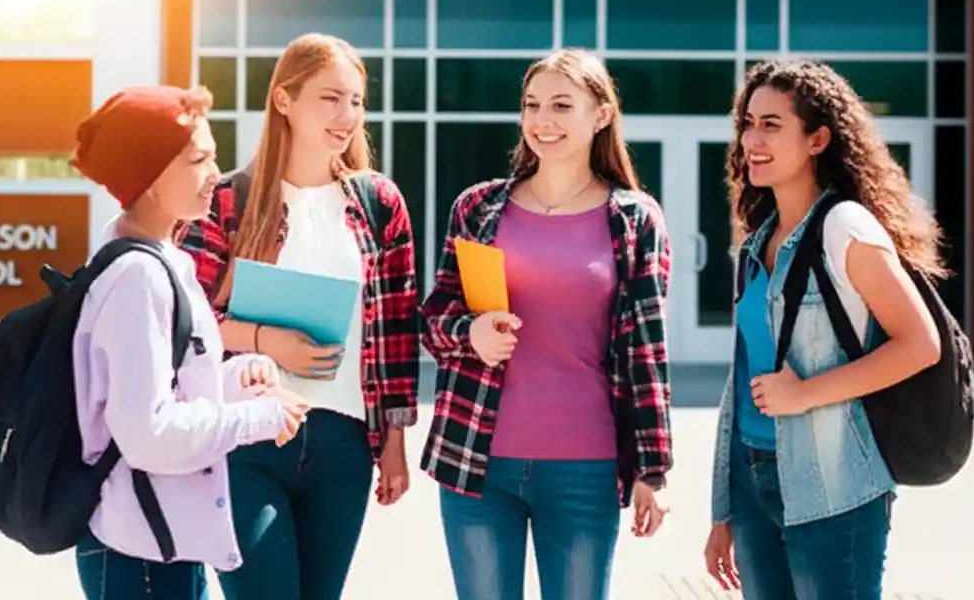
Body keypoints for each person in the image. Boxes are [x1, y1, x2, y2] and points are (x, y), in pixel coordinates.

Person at [419, 49, 674, 600]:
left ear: (601, 114)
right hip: (477, 459)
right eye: (532, 105)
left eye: (562, 105)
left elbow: (647, 353)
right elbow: (435, 318)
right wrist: (471, 334)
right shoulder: (479, 208)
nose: (543, 120)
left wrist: (653, 469)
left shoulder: (633, 220)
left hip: (586, 466)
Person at [177, 33, 421, 600]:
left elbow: (397, 332)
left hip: (343, 441)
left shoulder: (378, 205)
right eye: (330, 98)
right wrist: (267, 340)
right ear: (284, 100)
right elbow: (183, 321)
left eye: (356, 101)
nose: (348, 115)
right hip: (245, 438)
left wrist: (393, 441)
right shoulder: (227, 200)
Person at [703, 59, 945, 599]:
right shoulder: (757, 242)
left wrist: (805, 395)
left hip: (833, 486)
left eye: (771, 124)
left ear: (817, 140)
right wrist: (724, 509)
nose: (752, 139)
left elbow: (920, 344)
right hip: (753, 478)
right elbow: (742, 379)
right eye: (747, 123)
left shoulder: (845, 227)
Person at [68, 85, 310, 600]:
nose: (213, 176)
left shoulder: (160, 259)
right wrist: (258, 420)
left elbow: (164, 385)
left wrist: (235, 379)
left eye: (214, 157)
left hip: (160, 540)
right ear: (149, 177)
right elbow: (148, 433)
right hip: (139, 555)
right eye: (198, 159)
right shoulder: (139, 277)